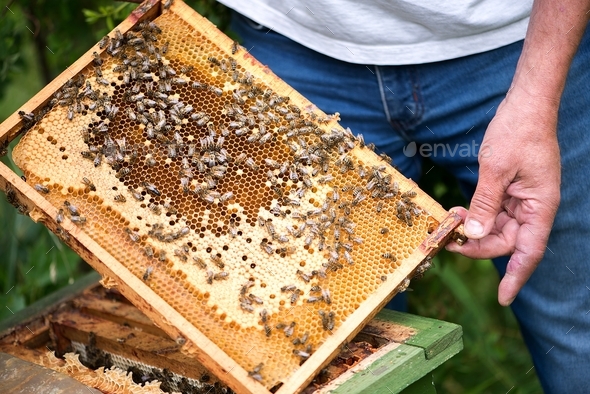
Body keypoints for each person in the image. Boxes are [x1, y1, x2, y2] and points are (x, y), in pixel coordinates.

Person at [216, 1, 590, 392]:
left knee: (578, 326)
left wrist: (537, 96)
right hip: (297, 39)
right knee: (323, 343)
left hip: (523, 46)